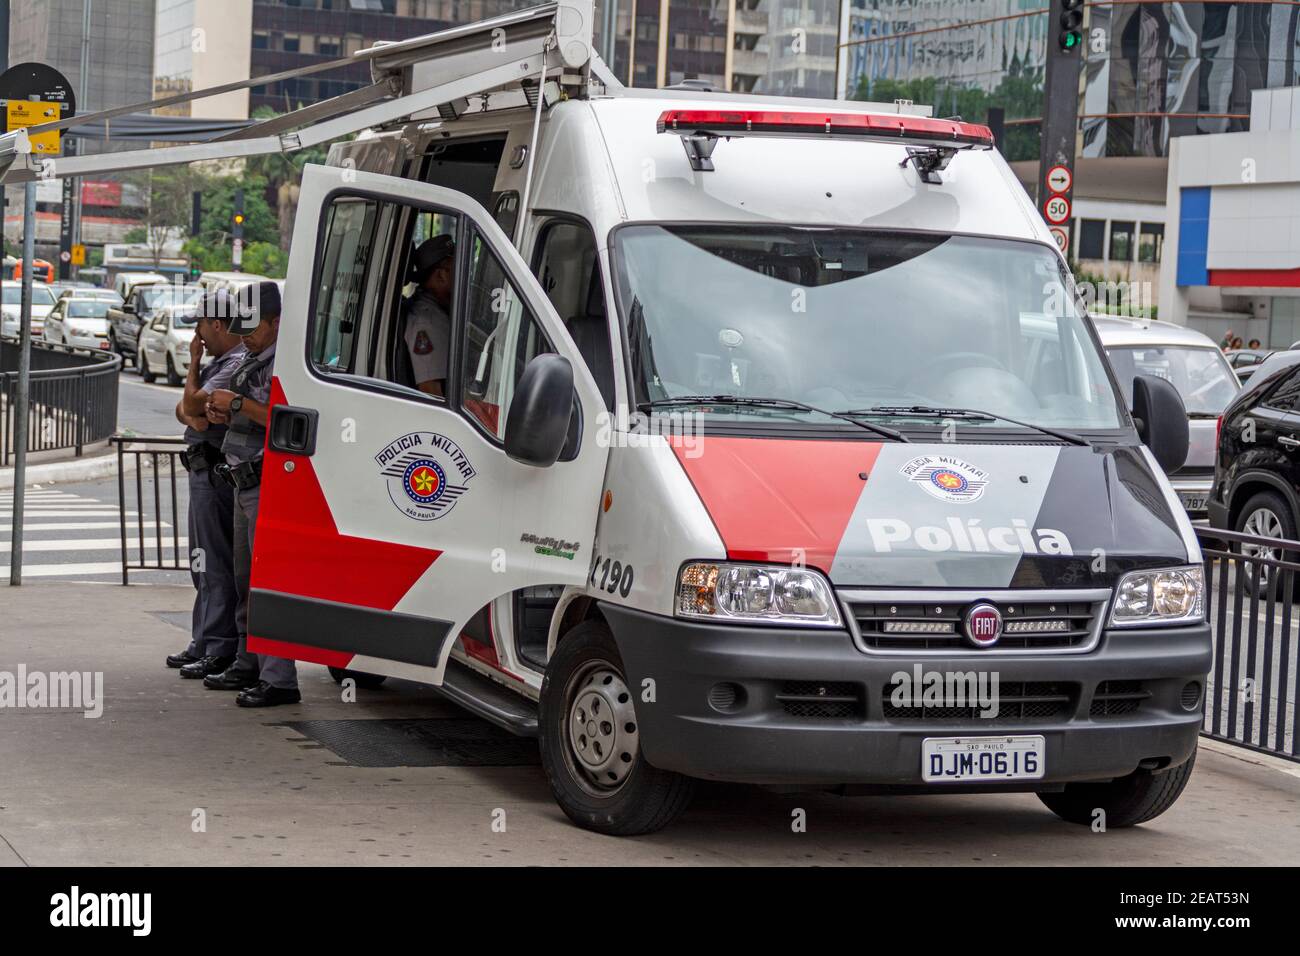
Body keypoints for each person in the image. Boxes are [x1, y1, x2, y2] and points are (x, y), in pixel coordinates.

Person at [201, 281, 300, 707]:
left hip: (269, 482)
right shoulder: (254, 357)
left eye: (253, 327)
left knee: (270, 581)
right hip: (244, 478)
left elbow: (285, 418)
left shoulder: (287, 364)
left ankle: (279, 678)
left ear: (277, 322)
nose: (244, 335)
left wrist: (237, 405)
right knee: (247, 580)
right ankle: (250, 660)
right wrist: (222, 405)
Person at [165, 292, 247, 679]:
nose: (196, 336)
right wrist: (190, 406)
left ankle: (219, 646)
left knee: (214, 564)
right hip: (202, 470)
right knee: (202, 565)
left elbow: (194, 408)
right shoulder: (222, 362)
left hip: (215, 473)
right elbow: (184, 409)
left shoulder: (234, 361)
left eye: (198, 326)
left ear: (216, 324)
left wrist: (194, 366)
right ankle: (204, 639)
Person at [404, 234, 455, 397]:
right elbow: (431, 393)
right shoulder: (427, 324)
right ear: (441, 275)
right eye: (458, 268)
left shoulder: (442, 310)